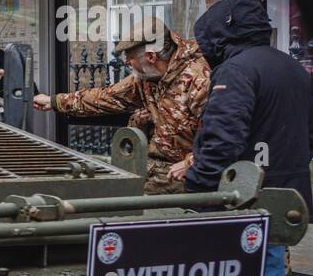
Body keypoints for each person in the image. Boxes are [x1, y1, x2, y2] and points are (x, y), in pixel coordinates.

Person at [171, 0, 312, 276]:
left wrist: (198, 194)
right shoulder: (294, 70)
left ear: (221, 33)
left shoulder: (236, 71)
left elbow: (221, 143)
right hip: (283, 202)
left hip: (243, 200)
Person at [32, 15, 210, 194]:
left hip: (184, 178)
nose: (126, 63)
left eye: (130, 58)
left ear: (150, 56)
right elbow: (105, 97)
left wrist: (190, 163)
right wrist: (54, 101)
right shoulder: (146, 78)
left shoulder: (198, 80)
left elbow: (221, 135)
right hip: (152, 171)